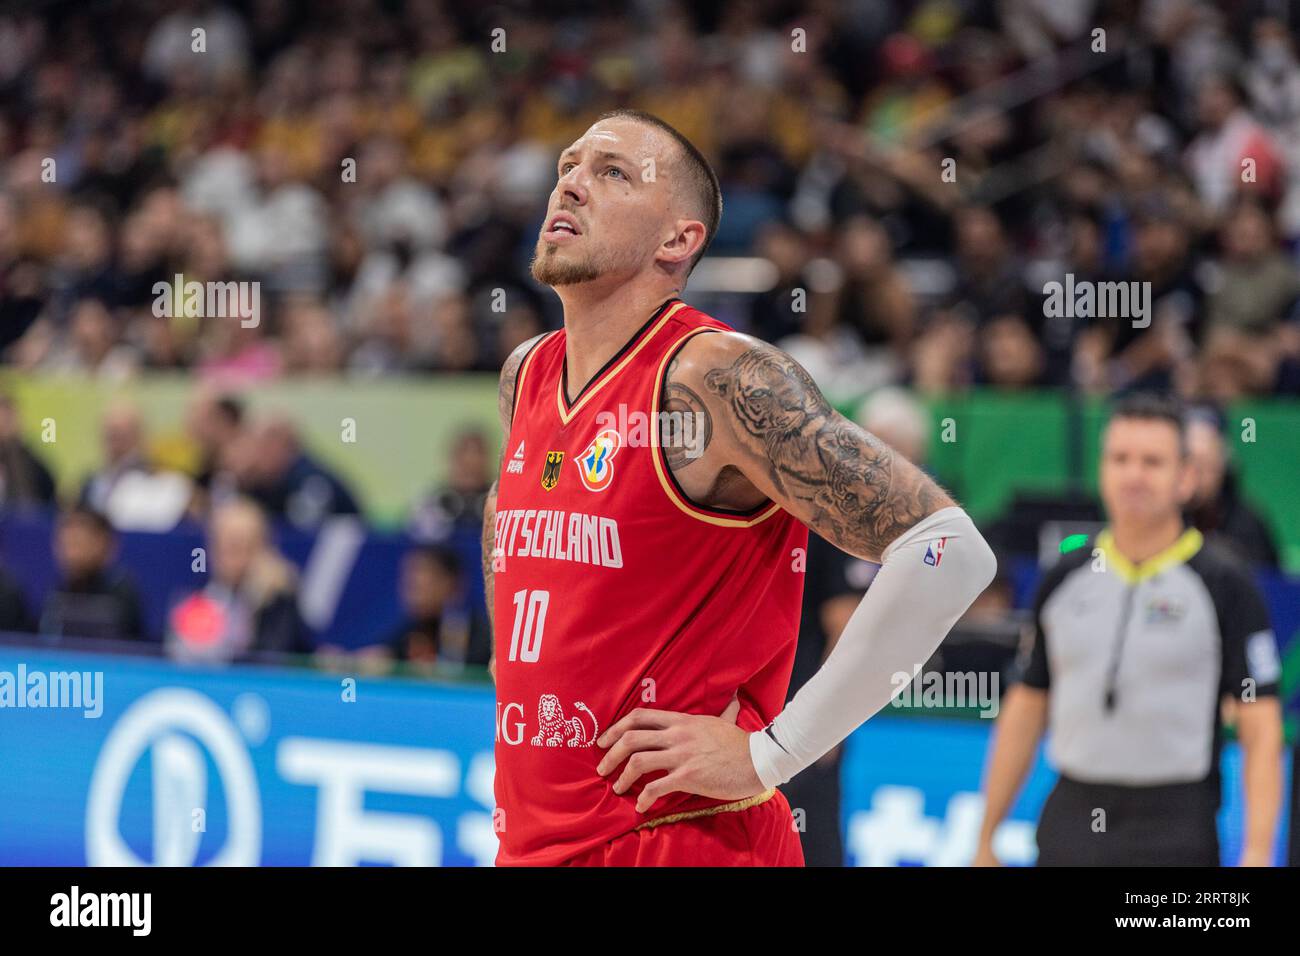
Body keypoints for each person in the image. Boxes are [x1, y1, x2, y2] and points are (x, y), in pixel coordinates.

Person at [484, 110, 996, 867]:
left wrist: (772, 754)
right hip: (533, 840)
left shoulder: (713, 376)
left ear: (679, 240)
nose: (572, 184)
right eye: (569, 165)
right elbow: (509, 519)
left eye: (612, 172)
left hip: (680, 843)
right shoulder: (526, 373)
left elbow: (949, 551)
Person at [974, 394, 1284, 866]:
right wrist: (986, 835)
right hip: (1071, 817)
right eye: (1121, 459)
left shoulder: (1224, 581)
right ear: (1102, 470)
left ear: (1185, 477)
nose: (1134, 475)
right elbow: (1026, 705)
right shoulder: (1066, 575)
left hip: (1176, 825)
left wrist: (1258, 851)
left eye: (1152, 462)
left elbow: (1260, 726)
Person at [167, 497, 311, 662]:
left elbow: (272, 658)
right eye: (223, 544)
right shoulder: (200, 593)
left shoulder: (277, 598)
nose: (230, 556)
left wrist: (256, 601)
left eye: (240, 545)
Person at [1184, 409, 1279, 567]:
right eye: (1189, 466)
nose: (1196, 478)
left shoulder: (1247, 524)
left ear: (1223, 468)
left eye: (1205, 467)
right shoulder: (1161, 518)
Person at [39, 506, 146, 642]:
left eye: (78, 542)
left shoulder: (122, 593)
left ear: (104, 543)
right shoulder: (55, 592)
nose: (70, 552)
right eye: (66, 543)